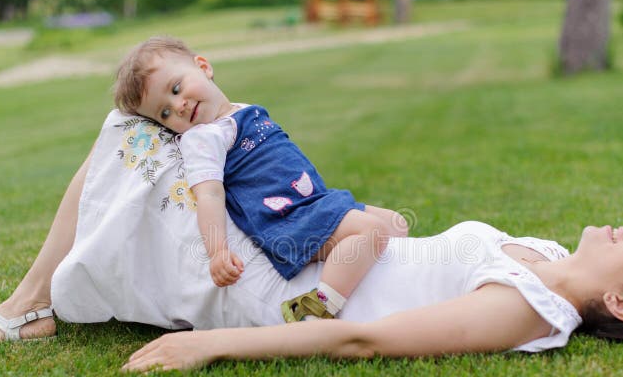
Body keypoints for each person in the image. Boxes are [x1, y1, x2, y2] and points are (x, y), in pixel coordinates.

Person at [0, 93, 623, 360]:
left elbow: (362, 339)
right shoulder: (548, 256)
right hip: (309, 251)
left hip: (279, 291)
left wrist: (208, 344)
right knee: (144, 130)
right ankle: (40, 304)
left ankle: (25, 308)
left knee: (136, 133)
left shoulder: (530, 307)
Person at [113, 36, 409, 322]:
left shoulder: (242, 111)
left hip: (316, 202)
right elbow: (209, 194)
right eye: (164, 113)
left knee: (396, 223)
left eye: (176, 88)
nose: (178, 106)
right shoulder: (204, 138)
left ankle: (378, 286)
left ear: (203, 66)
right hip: (287, 221)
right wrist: (217, 251)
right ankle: (316, 310)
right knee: (371, 231)